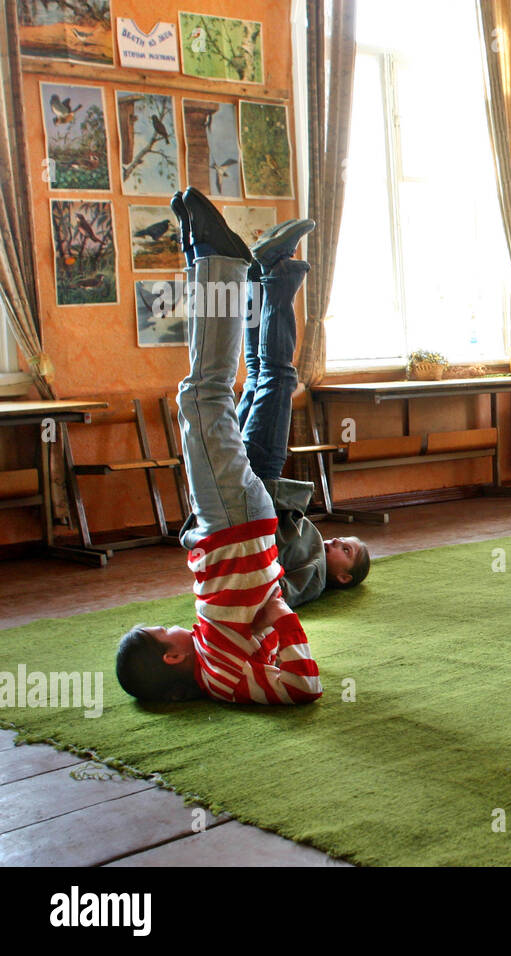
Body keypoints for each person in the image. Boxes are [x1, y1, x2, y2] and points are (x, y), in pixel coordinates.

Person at [115, 188, 323, 705]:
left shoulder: (216, 656)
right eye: (165, 632)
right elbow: (304, 687)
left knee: (223, 391)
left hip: (234, 526)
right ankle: (216, 262)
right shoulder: (222, 677)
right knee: (204, 392)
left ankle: (209, 258)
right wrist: (281, 614)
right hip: (233, 524)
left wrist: (268, 620)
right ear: (172, 658)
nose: (174, 625)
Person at [226, 214, 371, 605]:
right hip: (251, 492)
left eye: (348, 549)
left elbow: (277, 595)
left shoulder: (316, 573)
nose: (339, 539)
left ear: (342, 576)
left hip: (259, 486)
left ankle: (276, 273)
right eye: (347, 542)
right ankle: (259, 276)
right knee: (259, 375)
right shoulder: (314, 547)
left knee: (277, 376)